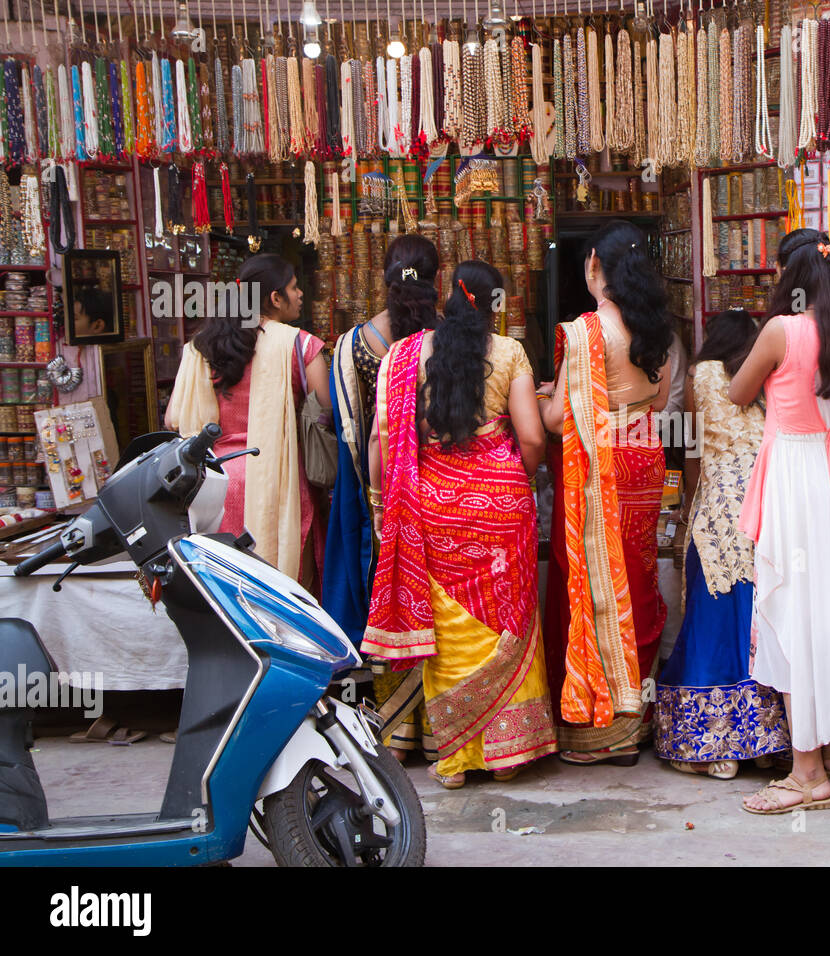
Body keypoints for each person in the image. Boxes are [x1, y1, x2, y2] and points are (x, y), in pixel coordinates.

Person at [364, 260, 556, 788]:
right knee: (507, 618)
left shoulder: (404, 356)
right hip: (501, 508)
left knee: (447, 626)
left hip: (432, 507)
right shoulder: (510, 352)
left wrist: (382, 506)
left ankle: (453, 757)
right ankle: (506, 754)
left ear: (449, 296)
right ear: (496, 305)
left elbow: (382, 439)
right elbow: (534, 439)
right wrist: (518, 477)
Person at [727, 229, 830, 814]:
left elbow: (735, 392)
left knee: (799, 613)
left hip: (796, 480)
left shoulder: (781, 331)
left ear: (789, 279)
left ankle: (807, 774)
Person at [537, 219, 673, 766]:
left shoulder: (587, 331)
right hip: (645, 459)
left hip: (603, 468)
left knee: (594, 584)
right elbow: (658, 404)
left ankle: (603, 729)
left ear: (595, 264)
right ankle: (635, 717)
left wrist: (545, 396)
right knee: (635, 579)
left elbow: (554, 421)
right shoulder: (655, 329)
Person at [654, 308, 791, 778]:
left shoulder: (698, 375)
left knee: (712, 624)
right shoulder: (767, 375)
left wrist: (691, 508)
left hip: (717, 513)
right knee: (758, 621)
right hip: (767, 506)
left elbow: (691, 451)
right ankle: (764, 740)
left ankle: (715, 750)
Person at [324, 234, 440, 764]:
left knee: (386, 603)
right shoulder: (446, 341)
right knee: (437, 609)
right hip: (438, 491)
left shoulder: (354, 345)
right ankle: (441, 729)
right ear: (436, 279)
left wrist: (373, 500)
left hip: (378, 489)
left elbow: (349, 428)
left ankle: (395, 733)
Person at [165, 252, 331, 594]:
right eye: (295, 288)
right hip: (282, 483)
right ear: (274, 298)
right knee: (286, 590)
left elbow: (174, 419)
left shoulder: (202, 347)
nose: (301, 295)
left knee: (231, 587)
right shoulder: (300, 346)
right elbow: (326, 413)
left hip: (220, 483)